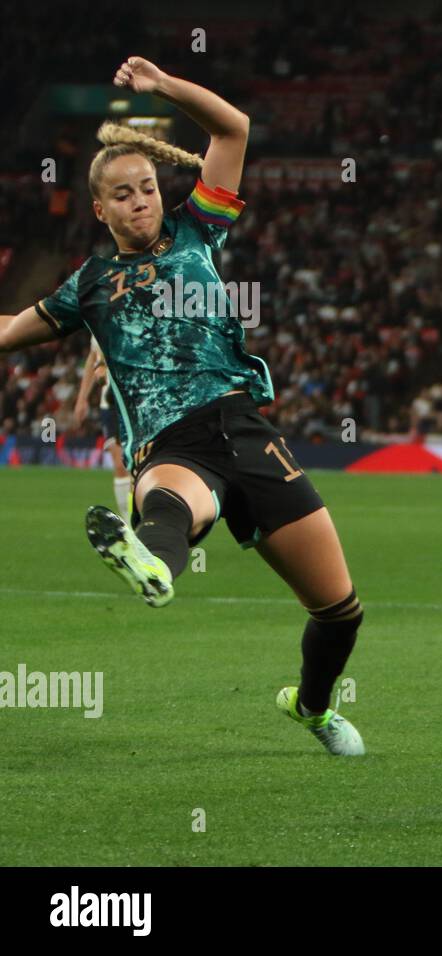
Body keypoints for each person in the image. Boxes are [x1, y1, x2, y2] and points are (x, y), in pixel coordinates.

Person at [0, 56, 364, 755]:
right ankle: (153, 563)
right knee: (173, 506)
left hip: (246, 431)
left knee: (339, 610)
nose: (141, 201)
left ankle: (313, 707)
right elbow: (15, 330)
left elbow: (233, 129)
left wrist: (165, 88)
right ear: (99, 209)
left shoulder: (197, 230)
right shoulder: (89, 283)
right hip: (173, 444)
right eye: (124, 195)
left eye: (147, 188)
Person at [73, 336, 132, 519]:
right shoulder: (94, 314)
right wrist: (83, 397)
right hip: (110, 401)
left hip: (136, 397)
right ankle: (130, 528)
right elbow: (93, 357)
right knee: (119, 463)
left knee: (139, 467)